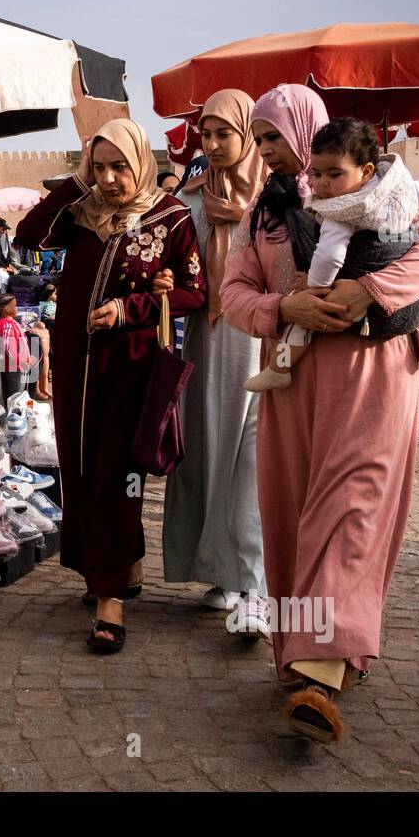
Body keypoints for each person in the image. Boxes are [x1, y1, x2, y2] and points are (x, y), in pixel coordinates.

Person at [218, 84, 419, 742]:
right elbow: (233, 293)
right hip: (292, 383)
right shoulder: (262, 217)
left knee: (352, 508)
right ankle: (319, 652)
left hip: (375, 375)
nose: (266, 151)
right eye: (261, 138)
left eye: (274, 137)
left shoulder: (387, 195)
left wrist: (367, 289)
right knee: (294, 514)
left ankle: (321, 670)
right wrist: (281, 310)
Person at [13, 119, 205, 653]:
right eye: (99, 167)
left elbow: (194, 292)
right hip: (77, 363)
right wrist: (76, 185)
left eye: (119, 166)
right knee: (77, 466)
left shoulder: (170, 219)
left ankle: (110, 599)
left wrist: (132, 308)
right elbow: (27, 237)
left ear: (142, 162)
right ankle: (123, 568)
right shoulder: (81, 216)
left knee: (115, 472)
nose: (110, 179)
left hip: (129, 365)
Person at [157, 90, 271, 639]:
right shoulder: (193, 199)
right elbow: (178, 266)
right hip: (207, 340)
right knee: (206, 451)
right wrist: (166, 282)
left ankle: (254, 583)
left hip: (261, 341)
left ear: (247, 133)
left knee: (251, 460)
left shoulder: (277, 195)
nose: (215, 144)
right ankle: (222, 572)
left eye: (226, 133)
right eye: (207, 134)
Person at [244, 117, 419, 391]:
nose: (324, 184)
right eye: (318, 174)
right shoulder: (399, 187)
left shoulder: (340, 210)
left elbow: (330, 257)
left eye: (334, 174)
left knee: (302, 321)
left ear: (365, 171)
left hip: (368, 338)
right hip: (389, 316)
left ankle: (280, 367)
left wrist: (313, 286)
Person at [0, 293, 51, 401]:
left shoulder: (9, 323)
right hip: (14, 367)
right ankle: (13, 415)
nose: (16, 308)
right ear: (5, 308)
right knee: (15, 397)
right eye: (14, 306)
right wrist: (21, 362)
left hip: (18, 365)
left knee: (19, 396)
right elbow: (8, 347)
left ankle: (17, 414)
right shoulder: (6, 325)